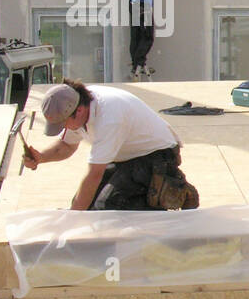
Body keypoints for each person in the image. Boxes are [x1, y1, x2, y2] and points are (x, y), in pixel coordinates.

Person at [23, 79, 199, 211]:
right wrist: (41, 158)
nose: (64, 129)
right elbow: (66, 146)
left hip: (156, 154)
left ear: (79, 111)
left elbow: (94, 175)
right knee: (89, 205)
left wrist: (73, 221)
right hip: (125, 154)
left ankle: (178, 191)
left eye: (63, 124)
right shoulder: (76, 105)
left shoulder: (108, 118)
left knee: (110, 206)